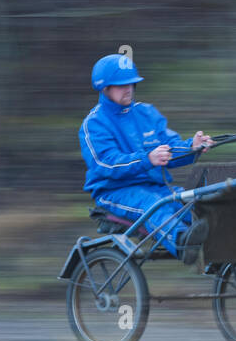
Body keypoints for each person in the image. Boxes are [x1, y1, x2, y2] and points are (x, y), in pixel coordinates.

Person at [79, 53, 213, 263]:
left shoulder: (147, 113)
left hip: (157, 187)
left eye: (131, 84)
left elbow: (171, 151)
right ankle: (182, 242)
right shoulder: (94, 123)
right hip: (114, 192)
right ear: (105, 88)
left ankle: (221, 240)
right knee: (154, 204)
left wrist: (192, 147)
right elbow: (106, 164)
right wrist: (147, 159)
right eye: (121, 85)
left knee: (194, 200)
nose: (128, 89)